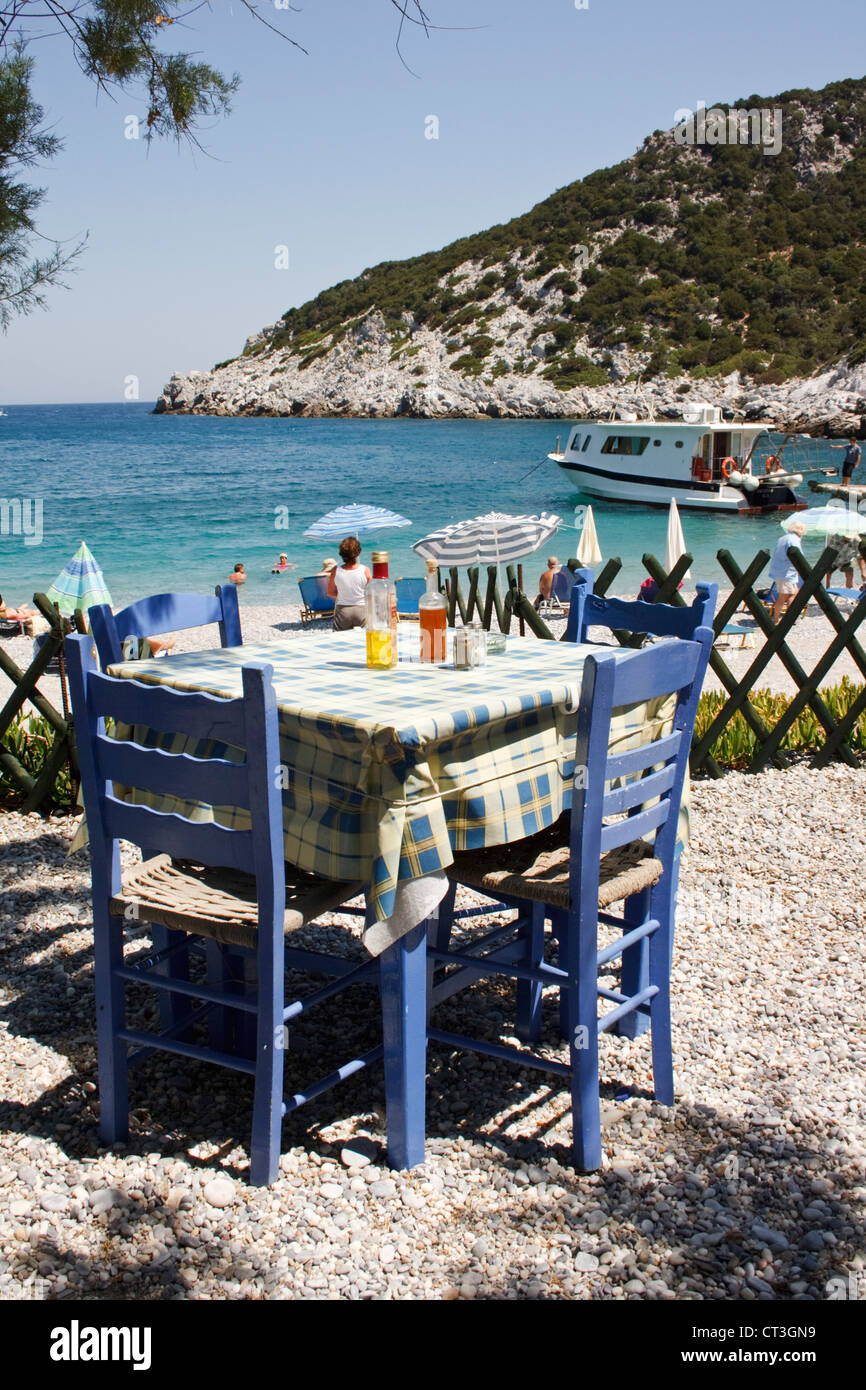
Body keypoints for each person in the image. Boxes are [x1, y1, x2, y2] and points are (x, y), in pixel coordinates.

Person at [327, 537, 370, 630]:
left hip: (343, 611)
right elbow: (373, 592)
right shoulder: (365, 570)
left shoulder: (336, 571)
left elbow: (330, 592)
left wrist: (344, 594)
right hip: (362, 610)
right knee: (363, 640)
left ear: (342, 554)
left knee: (340, 639)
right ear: (358, 553)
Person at [768, 521, 807, 624]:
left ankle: (786, 618)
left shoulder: (782, 538)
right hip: (787, 572)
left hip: (778, 570)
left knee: (790, 594)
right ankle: (780, 619)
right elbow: (798, 556)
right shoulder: (794, 540)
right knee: (787, 596)